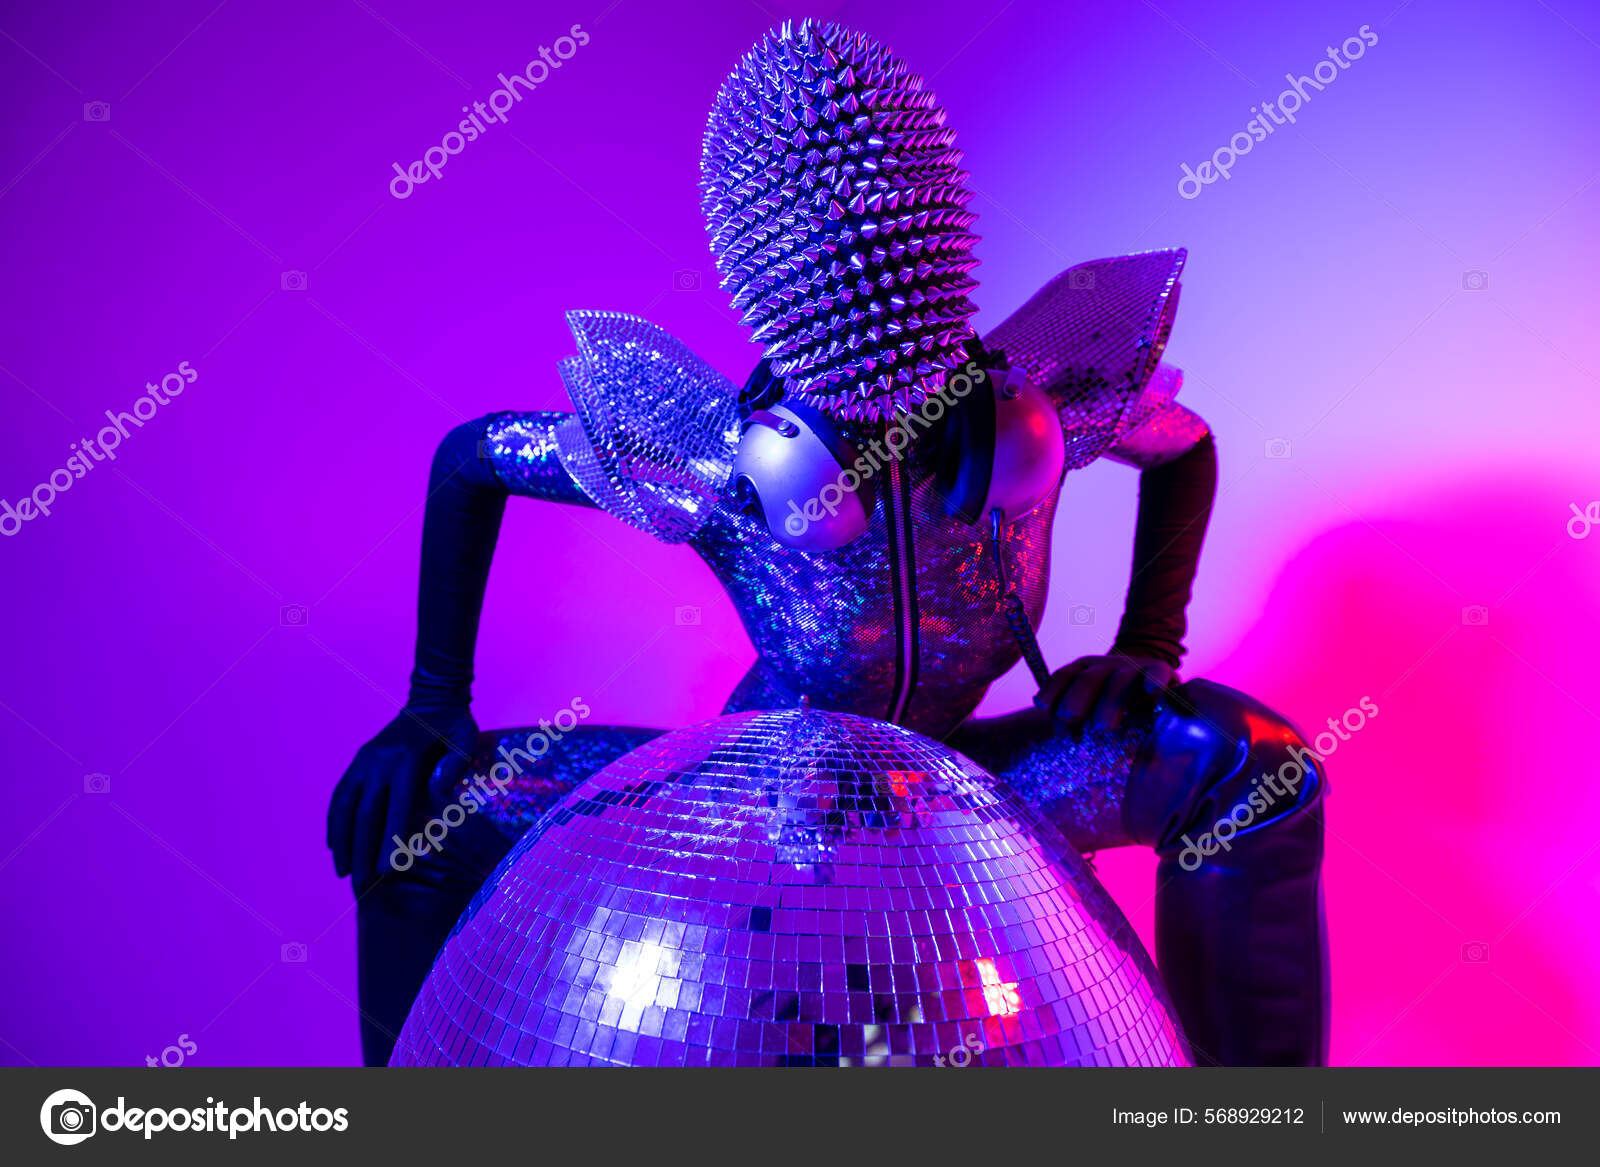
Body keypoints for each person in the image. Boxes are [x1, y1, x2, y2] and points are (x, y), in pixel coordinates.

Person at [328, 19, 1326, 1068]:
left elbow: (1186, 446)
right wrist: (431, 704)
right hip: (761, 807)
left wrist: (1146, 649)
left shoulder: (1045, 413)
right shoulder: (718, 466)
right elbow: (473, 455)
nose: (897, 442)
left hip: (968, 784)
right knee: (415, 817)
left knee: (1249, 770)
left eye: (930, 417)